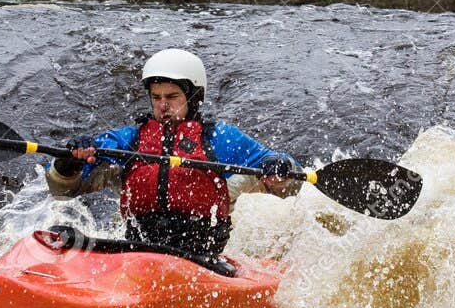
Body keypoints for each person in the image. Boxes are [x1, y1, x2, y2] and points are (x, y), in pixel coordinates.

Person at [46, 49, 301, 257]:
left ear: (194, 98)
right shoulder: (129, 139)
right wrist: (70, 161)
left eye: (172, 96)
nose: (163, 105)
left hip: (203, 256)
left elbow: (285, 173)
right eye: (156, 97)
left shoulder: (220, 139)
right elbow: (65, 189)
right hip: (140, 251)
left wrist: (278, 166)